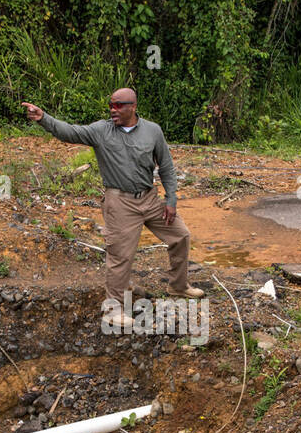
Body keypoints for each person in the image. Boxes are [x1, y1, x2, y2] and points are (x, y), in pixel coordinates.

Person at [21, 89, 203, 328]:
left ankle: (178, 286)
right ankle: (113, 309)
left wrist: (171, 201)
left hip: (149, 199)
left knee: (181, 235)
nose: (113, 110)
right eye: (111, 106)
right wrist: (44, 118)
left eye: (118, 106)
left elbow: (166, 167)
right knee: (120, 255)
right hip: (120, 202)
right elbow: (70, 132)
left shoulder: (153, 131)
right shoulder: (101, 130)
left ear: (133, 106)